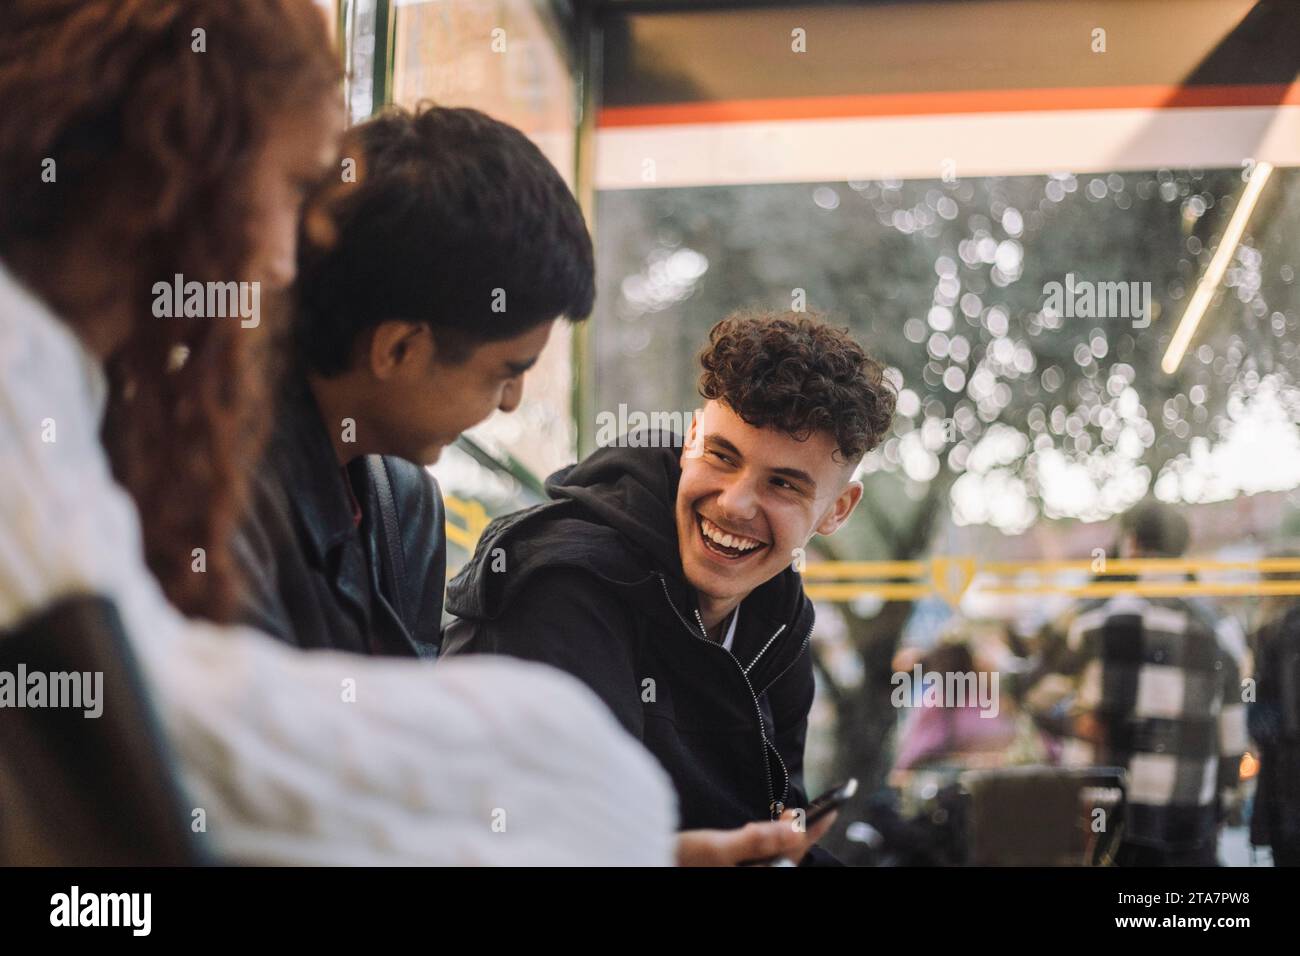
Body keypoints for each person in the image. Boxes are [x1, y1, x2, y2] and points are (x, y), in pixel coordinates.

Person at [0, 0, 680, 865]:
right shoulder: (100, 419)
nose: (289, 259)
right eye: (289, 190)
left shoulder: (403, 505)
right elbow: (173, 759)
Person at [442, 312, 897, 863]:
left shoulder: (778, 620)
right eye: (721, 457)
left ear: (837, 510)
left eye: (783, 484)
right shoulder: (565, 581)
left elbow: (776, 828)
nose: (733, 503)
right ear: (690, 442)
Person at [232, 105, 594, 657]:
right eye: (506, 372)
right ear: (399, 348)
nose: (511, 403)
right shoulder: (206, 489)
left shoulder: (407, 505)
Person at [1044, 500, 1248, 866]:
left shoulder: (1091, 621)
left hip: (1107, 819)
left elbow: (1038, 696)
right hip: (1189, 824)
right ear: (1182, 551)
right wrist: (1222, 803)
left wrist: (1074, 724)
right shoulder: (1222, 630)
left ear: (1132, 544)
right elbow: (1232, 742)